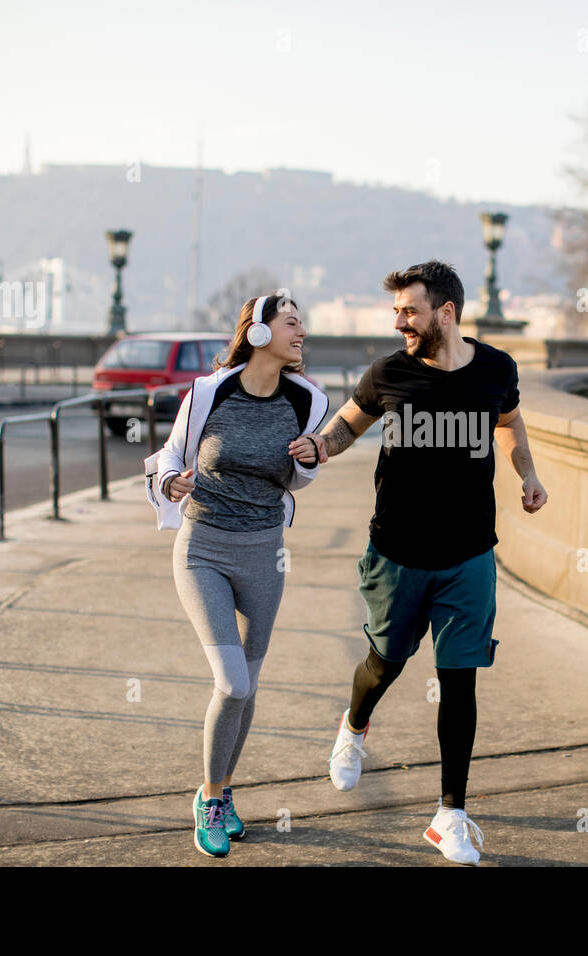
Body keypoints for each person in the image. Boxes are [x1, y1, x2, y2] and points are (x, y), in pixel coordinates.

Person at [307, 260, 548, 865]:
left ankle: (450, 815)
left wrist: (528, 474)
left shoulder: (497, 369)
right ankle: (354, 727)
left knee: (459, 680)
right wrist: (319, 446)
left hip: (469, 554)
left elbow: (510, 421)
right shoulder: (389, 371)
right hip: (398, 551)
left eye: (409, 311)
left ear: (446, 312)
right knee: (385, 662)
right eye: (396, 312)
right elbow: (347, 425)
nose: (400, 323)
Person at [145, 293, 330, 858]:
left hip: (266, 555)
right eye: (291, 321)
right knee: (232, 682)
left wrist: (307, 460)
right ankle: (208, 799)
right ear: (257, 332)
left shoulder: (309, 400)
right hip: (203, 549)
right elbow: (170, 456)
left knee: (248, 688)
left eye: (302, 322)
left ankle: (223, 794)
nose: (301, 330)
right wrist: (172, 481)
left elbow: (298, 483)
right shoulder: (209, 392)